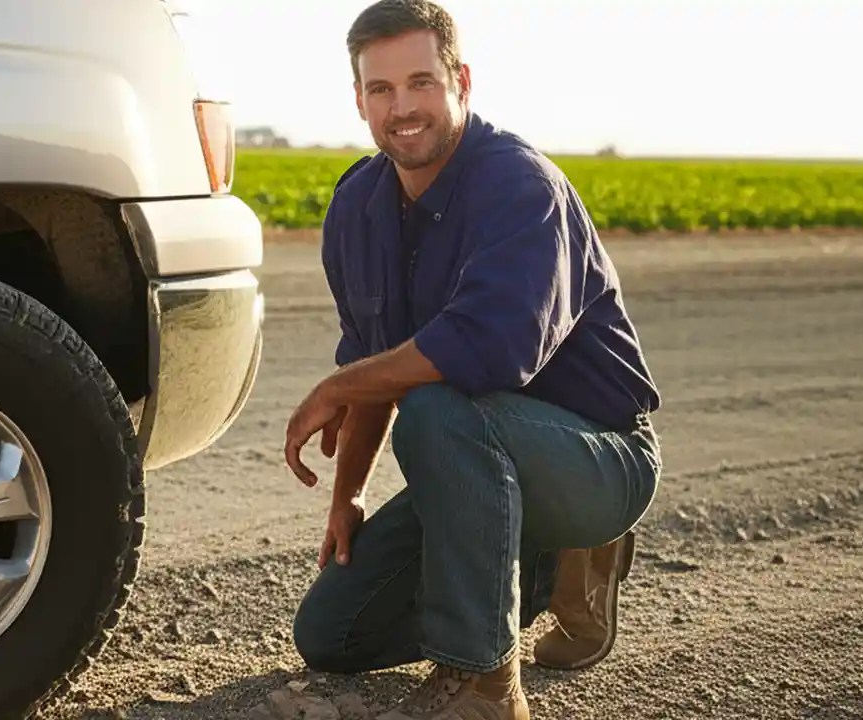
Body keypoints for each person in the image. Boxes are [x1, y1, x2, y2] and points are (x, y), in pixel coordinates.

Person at [281, 1, 664, 718]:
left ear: (461, 80)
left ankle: (487, 681)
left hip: (598, 456)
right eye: (381, 89)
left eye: (421, 82)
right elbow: (374, 360)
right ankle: (545, 569)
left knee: (433, 406)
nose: (403, 108)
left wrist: (340, 384)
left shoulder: (520, 186)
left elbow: (487, 350)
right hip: (485, 462)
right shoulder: (356, 207)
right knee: (331, 632)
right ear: (359, 99)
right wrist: (348, 497)